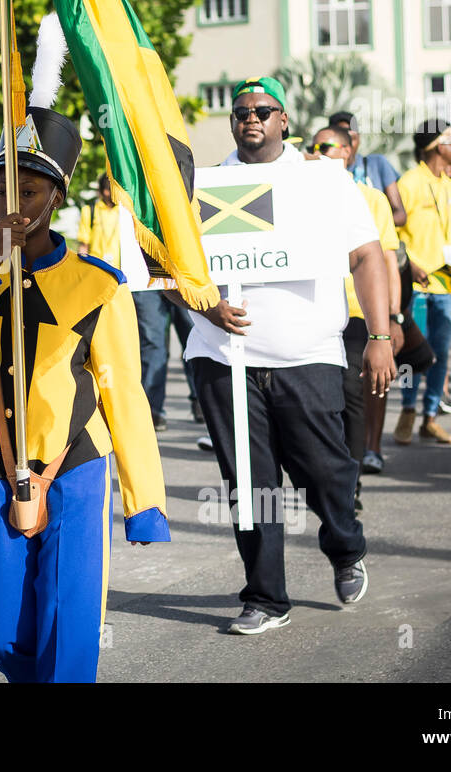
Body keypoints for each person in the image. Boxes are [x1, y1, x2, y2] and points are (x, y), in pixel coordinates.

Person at [0, 16, 170, 681]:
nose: (13, 203)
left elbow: (125, 394)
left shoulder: (97, 284)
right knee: (0, 626)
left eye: (28, 191)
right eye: (4, 189)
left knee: (67, 620)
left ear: (56, 197)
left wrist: (143, 497)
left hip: (78, 466)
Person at [167, 77, 394, 636]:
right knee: (250, 484)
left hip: (308, 355)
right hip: (224, 359)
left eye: (264, 111)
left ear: (284, 120)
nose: (252, 119)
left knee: (325, 471)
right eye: (242, 112)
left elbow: (367, 257)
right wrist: (207, 306)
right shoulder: (202, 187)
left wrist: (381, 337)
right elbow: (163, 269)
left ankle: (345, 545)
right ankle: (266, 598)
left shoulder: (323, 180)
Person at [313, 129, 403, 485]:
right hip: (315, 314)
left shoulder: (372, 198)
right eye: (312, 147)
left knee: (353, 396)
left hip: (356, 314)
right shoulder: (302, 196)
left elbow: (388, 261)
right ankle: (330, 477)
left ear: (348, 152)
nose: (317, 153)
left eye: (326, 147)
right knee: (320, 402)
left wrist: (391, 319)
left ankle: (350, 484)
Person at [392, 120, 451, 445]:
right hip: (414, 285)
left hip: (446, 286)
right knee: (411, 353)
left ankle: (430, 417)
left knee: (441, 353)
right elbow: (393, 235)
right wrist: (410, 265)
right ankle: (407, 410)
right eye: (450, 139)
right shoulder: (409, 183)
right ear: (433, 146)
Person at [121, 205, 203, 429]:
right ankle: (153, 411)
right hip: (143, 275)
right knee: (152, 344)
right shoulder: (131, 184)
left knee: (194, 337)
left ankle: (201, 402)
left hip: (183, 274)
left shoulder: (178, 177)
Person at [329, 110, 406, 225]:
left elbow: (400, 215)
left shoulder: (377, 163)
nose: (348, 146)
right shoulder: (325, 171)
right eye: (342, 140)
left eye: (352, 139)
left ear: (359, 139)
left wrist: (365, 227)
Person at [76, 173, 122, 267]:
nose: (106, 192)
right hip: (94, 269)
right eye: (105, 188)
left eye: (110, 188)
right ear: (102, 190)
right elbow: (84, 246)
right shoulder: (88, 211)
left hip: (120, 273)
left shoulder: (125, 214)